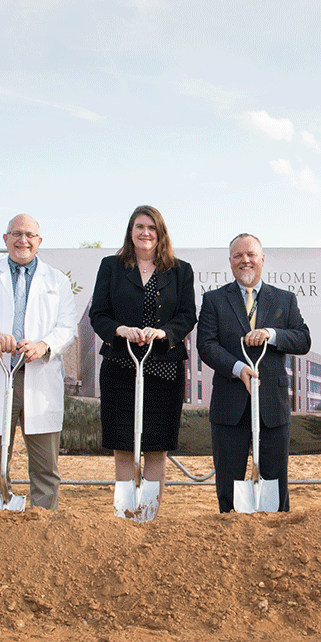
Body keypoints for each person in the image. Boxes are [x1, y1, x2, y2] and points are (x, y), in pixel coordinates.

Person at [0, 213, 78, 509]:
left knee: (45, 466)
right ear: (5, 239)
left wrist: (43, 345)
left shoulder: (56, 280)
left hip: (39, 376)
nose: (22, 240)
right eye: (15, 234)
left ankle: (42, 523)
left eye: (29, 235)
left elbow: (68, 327)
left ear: (39, 241)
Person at [89, 205, 196, 510]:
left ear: (160, 233)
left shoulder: (180, 270)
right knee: (123, 447)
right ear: (130, 231)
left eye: (151, 227)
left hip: (165, 371)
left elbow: (188, 315)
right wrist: (119, 329)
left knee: (156, 447)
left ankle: (150, 515)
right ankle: (125, 513)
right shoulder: (111, 267)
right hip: (120, 369)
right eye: (139, 226)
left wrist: (164, 333)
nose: (145, 232)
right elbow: (98, 314)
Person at [198, 234, 311, 512]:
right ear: (230, 262)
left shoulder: (284, 299)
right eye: (238, 256)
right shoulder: (214, 300)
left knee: (274, 484)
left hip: (272, 406)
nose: (244, 260)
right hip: (229, 406)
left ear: (262, 259)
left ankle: (276, 537)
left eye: (250, 255)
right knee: (229, 483)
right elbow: (206, 345)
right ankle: (230, 537)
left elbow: (302, 340)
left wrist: (271, 334)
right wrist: (238, 369)